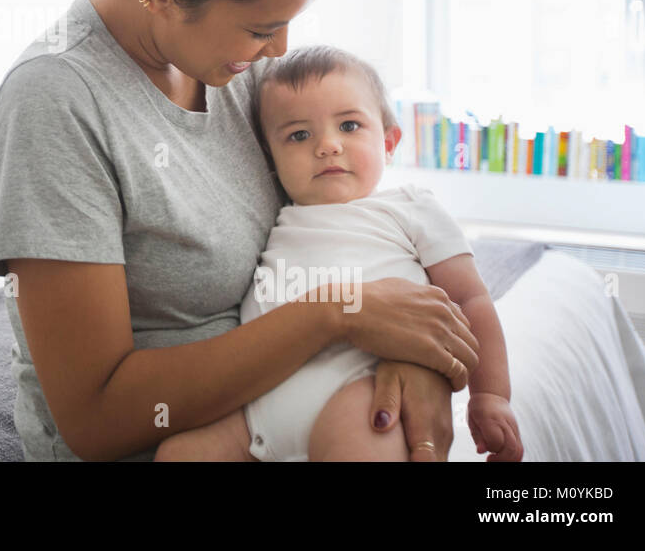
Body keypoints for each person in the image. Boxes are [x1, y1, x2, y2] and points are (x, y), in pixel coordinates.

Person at [0, 0, 478, 462]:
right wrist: (341, 318)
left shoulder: (227, 60)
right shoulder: (55, 108)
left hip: (294, 391)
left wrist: (403, 354)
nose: (277, 53)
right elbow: (95, 419)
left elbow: (337, 215)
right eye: (261, 27)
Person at [153, 45, 522, 462]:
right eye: (298, 135)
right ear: (269, 160)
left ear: (389, 141)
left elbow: (471, 298)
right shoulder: (276, 218)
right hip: (257, 409)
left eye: (348, 125)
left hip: (362, 389)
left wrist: (490, 394)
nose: (327, 146)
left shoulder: (409, 207)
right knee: (178, 453)